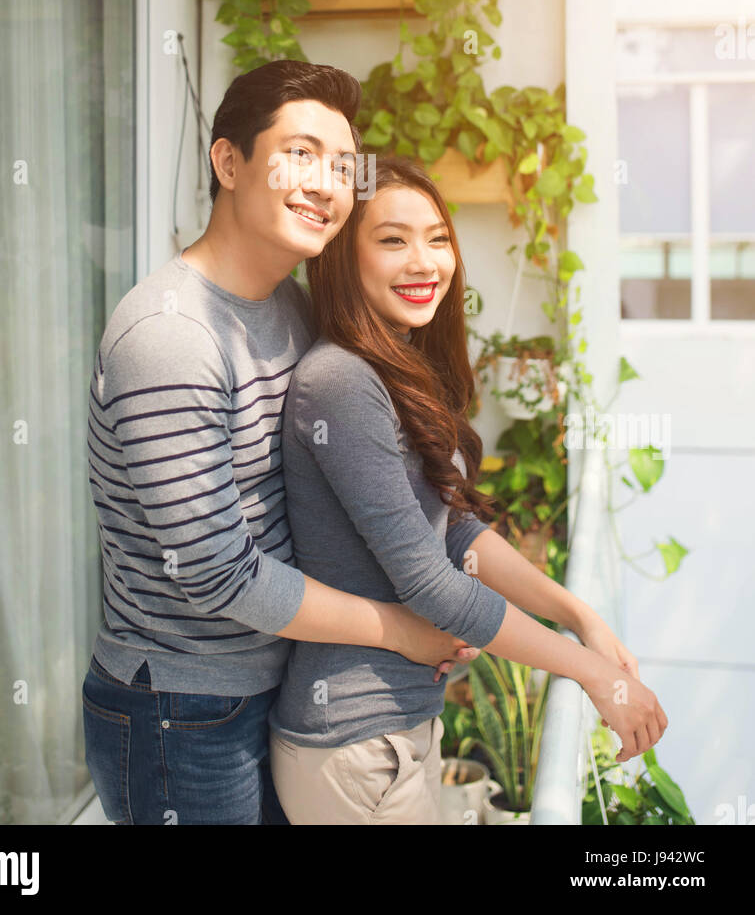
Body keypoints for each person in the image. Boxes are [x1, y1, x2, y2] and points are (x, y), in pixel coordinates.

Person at [81, 62, 482, 826]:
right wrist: (401, 628)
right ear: (228, 162)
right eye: (299, 154)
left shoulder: (294, 310)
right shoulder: (171, 334)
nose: (325, 183)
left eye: (340, 165)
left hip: (281, 683)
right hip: (181, 708)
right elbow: (217, 575)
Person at [268, 153, 668, 825]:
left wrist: (581, 618)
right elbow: (429, 581)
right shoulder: (338, 381)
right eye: (392, 240)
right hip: (356, 740)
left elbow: (454, 532)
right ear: (342, 258)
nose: (424, 262)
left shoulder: (393, 368)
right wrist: (591, 673)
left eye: (437, 238)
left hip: (397, 731)